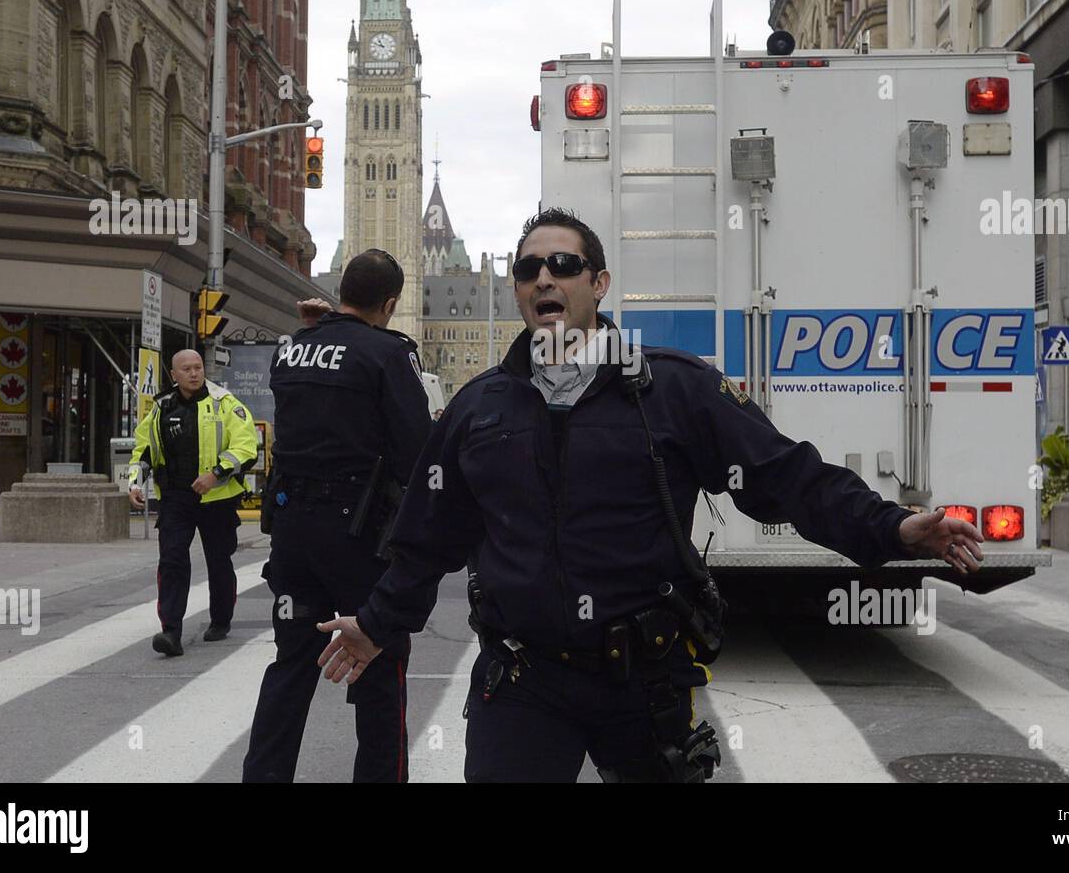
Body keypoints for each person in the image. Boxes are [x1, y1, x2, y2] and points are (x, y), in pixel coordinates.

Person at [315, 208, 984, 783]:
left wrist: (892, 527)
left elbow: (786, 476)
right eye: (528, 270)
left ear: (598, 283)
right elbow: (427, 535)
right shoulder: (479, 407)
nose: (543, 277)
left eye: (563, 264)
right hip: (522, 681)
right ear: (518, 290)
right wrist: (377, 623)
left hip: (643, 679)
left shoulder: (674, 390)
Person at [242, 249, 431, 783]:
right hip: (357, 537)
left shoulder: (293, 349)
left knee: (289, 667)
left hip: (293, 536)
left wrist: (318, 329)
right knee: (377, 669)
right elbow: (415, 452)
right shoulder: (387, 355)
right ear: (390, 304)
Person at [129, 349, 257, 657]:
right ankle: (170, 631)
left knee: (219, 560)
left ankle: (221, 619)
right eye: (186, 368)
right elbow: (144, 450)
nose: (194, 373)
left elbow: (246, 448)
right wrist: (135, 481)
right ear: (174, 374)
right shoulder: (161, 408)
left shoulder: (224, 403)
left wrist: (215, 474)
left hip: (217, 499)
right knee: (172, 560)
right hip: (176, 498)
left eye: (198, 367)